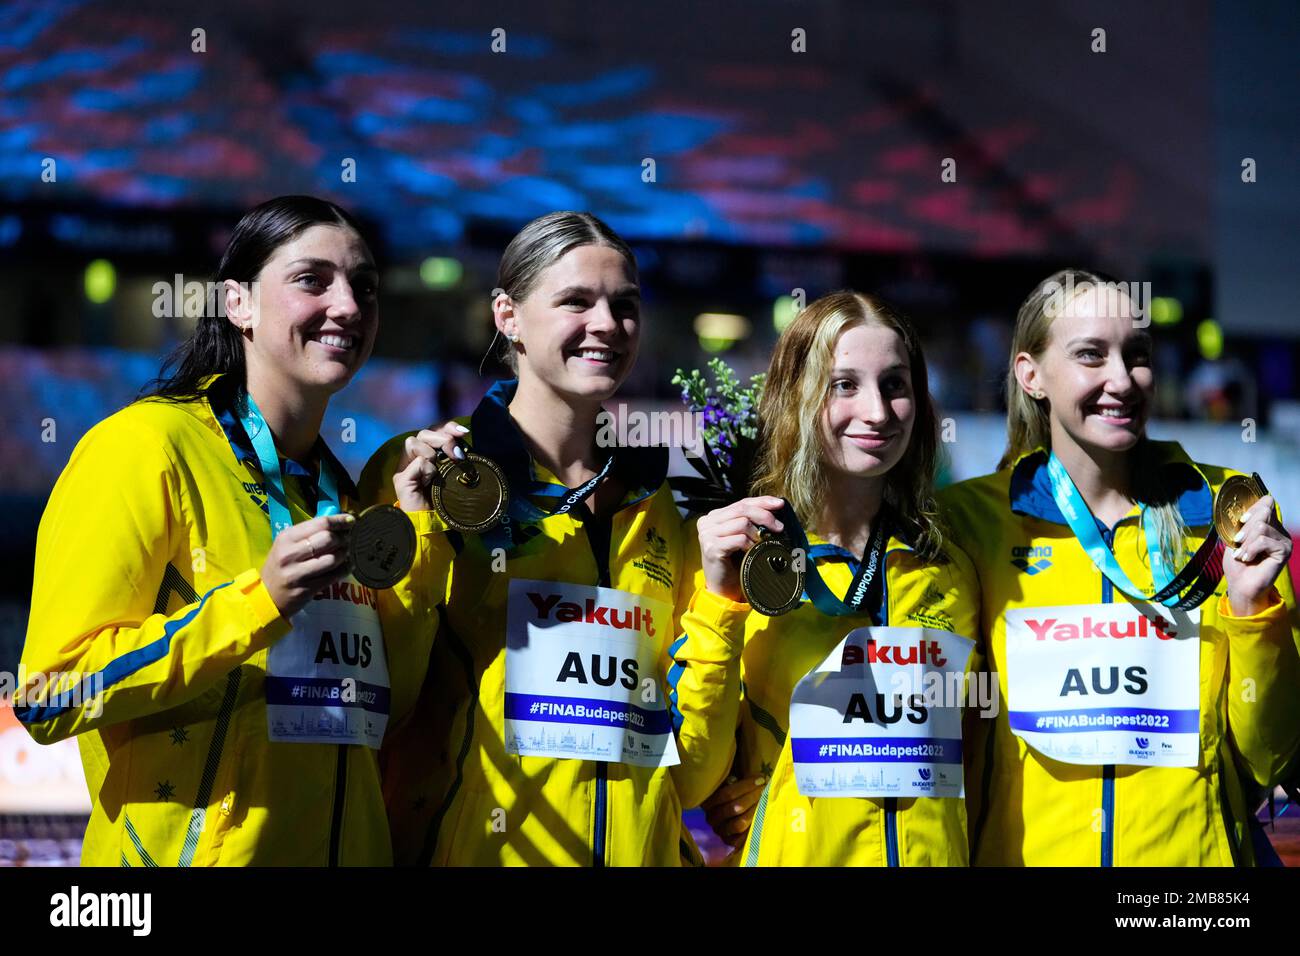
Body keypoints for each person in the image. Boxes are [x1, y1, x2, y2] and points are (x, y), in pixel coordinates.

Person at [17, 195, 431, 865]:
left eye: (364, 286)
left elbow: (388, 710)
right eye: (312, 279)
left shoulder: (336, 497)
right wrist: (255, 603)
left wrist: (421, 542)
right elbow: (48, 694)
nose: (349, 306)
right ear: (237, 303)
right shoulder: (145, 447)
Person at [360, 211, 738, 866]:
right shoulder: (431, 474)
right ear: (508, 316)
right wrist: (418, 527)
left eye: (625, 306)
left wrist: (724, 608)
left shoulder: (656, 508)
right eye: (575, 301)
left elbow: (686, 770)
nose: (607, 325)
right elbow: (376, 702)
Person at [939, 269, 1300, 865]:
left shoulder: (1230, 515)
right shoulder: (969, 522)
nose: (1121, 379)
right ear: (1031, 375)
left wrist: (1255, 614)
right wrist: (772, 773)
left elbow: (1273, 757)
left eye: (1137, 355)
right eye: (1090, 354)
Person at [687, 291, 981, 865]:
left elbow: (967, 757)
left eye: (894, 385)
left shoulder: (948, 570)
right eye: (843, 384)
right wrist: (721, 601)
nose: (876, 411)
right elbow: (695, 777)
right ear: (795, 395)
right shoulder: (748, 558)